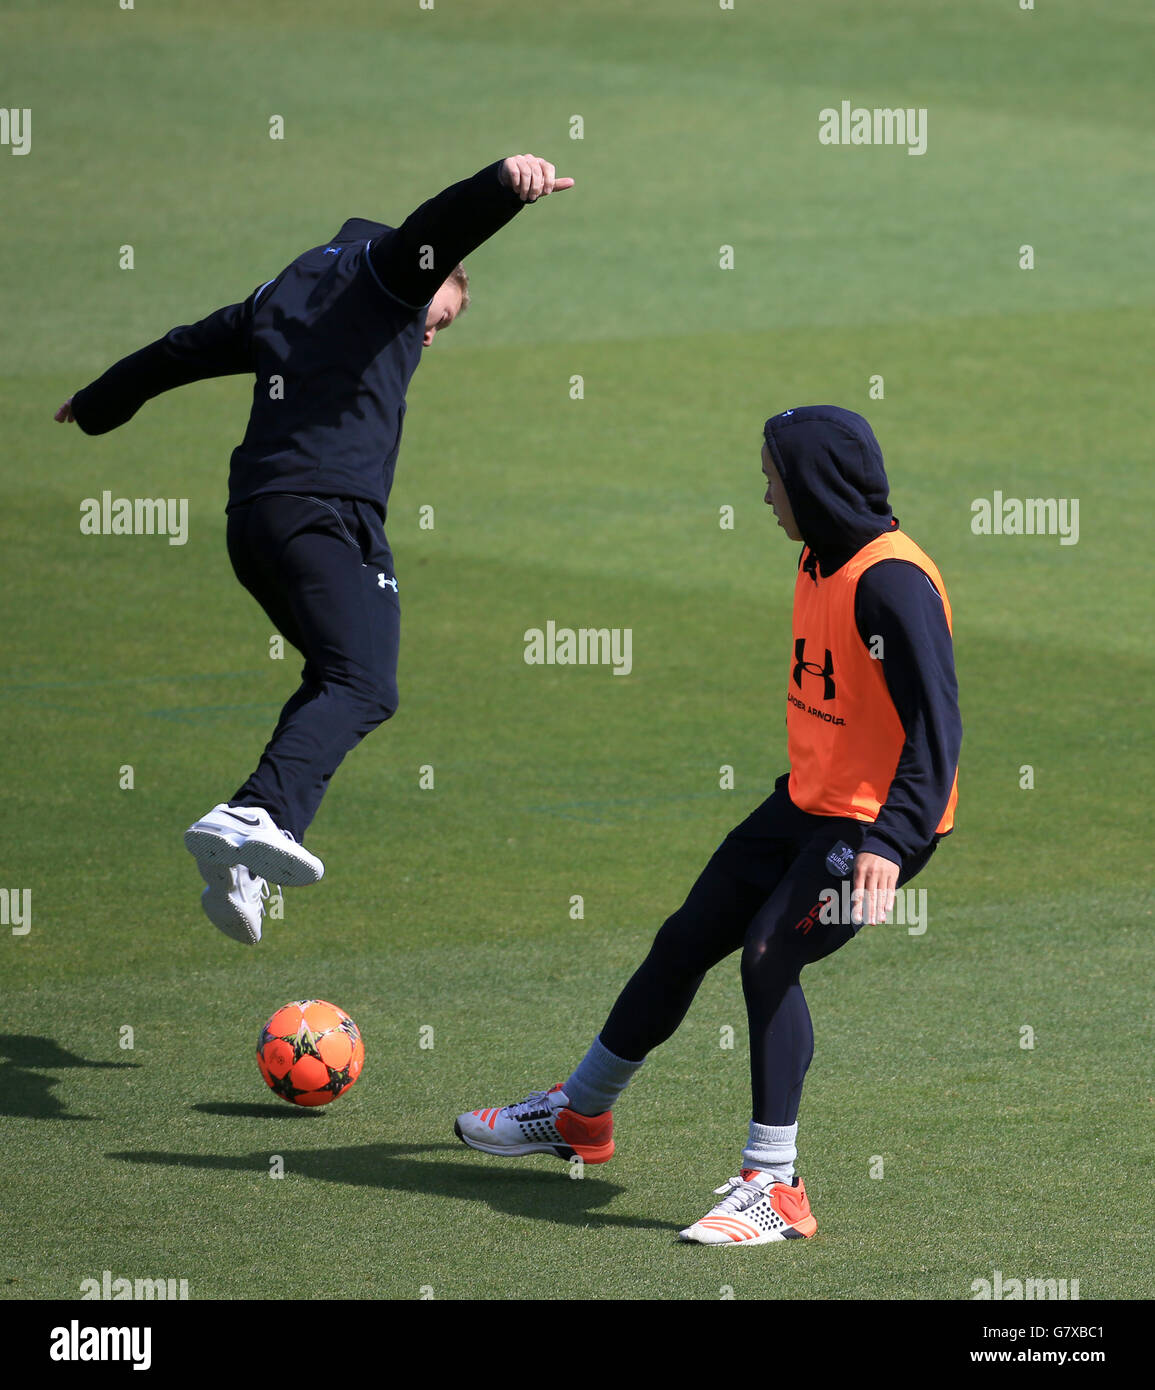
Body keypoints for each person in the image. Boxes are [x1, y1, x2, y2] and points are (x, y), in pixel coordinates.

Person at [455, 405, 962, 1246]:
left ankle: (775, 1185)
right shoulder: (819, 555)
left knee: (769, 955)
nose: (764, 493)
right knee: (687, 937)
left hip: (872, 827)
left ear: (813, 485)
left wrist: (892, 841)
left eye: (773, 478)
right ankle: (580, 1115)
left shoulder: (890, 584)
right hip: (806, 804)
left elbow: (936, 726)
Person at [55, 154, 573, 946]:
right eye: (437, 321)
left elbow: (179, 350)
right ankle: (252, 814)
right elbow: (442, 226)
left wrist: (96, 406)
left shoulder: (282, 294)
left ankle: (246, 853)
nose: (428, 339)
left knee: (341, 676)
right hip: (322, 516)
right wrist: (505, 185)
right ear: (426, 283)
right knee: (365, 682)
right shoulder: (389, 273)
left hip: (257, 519)